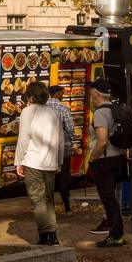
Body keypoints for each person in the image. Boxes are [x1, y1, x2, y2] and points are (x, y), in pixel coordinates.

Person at [15, 82, 63, 246]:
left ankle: (46, 235)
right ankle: (53, 235)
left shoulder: (28, 112)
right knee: (48, 200)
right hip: (50, 163)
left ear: (30, 97)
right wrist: (59, 161)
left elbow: (23, 139)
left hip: (33, 162)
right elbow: (60, 140)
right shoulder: (54, 112)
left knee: (38, 201)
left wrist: (18, 161)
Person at [86, 79, 127, 247]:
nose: (90, 96)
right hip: (118, 157)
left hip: (105, 160)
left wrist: (92, 158)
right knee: (112, 198)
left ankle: (116, 235)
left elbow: (102, 140)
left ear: (96, 94)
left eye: (91, 93)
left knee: (108, 198)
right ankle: (117, 233)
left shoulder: (101, 113)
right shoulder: (116, 109)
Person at [47, 85, 75, 214]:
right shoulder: (63, 108)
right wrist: (71, 138)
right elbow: (70, 128)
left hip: (46, 147)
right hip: (64, 147)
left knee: (49, 178)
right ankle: (67, 208)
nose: (63, 95)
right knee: (64, 177)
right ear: (57, 94)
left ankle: (50, 208)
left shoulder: (42, 108)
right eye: (62, 93)